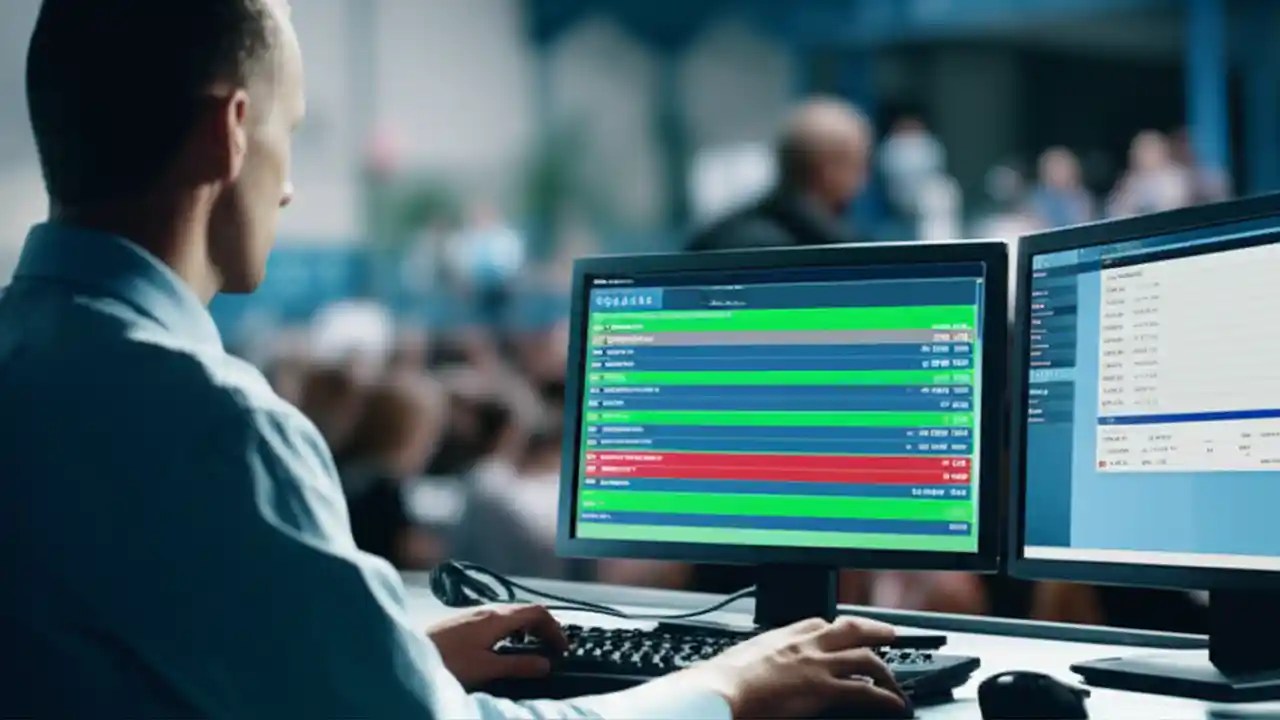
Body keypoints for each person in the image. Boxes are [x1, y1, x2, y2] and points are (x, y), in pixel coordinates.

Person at [0, 1, 909, 717]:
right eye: (290, 132)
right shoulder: (218, 429)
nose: (289, 187)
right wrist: (732, 686)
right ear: (231, 132)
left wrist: (391, 656)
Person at [687, 96, 871, 252]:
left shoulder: (717, 235)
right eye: (860, 166)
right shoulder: (827, 254)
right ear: (828, 170)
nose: (865, 180)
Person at [1106, 130, 1193, 218]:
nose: (1144, 156)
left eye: (1149, 150)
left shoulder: (1176, 178)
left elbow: (1173, 209)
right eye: (1140, 151)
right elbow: (1117, 212)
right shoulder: (1130, 182)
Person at [1029, 147, 1095, 230]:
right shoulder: (1037, 200)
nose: (1060, 172)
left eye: (1064, 167)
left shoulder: (1083, 197)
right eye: (1055, 168)